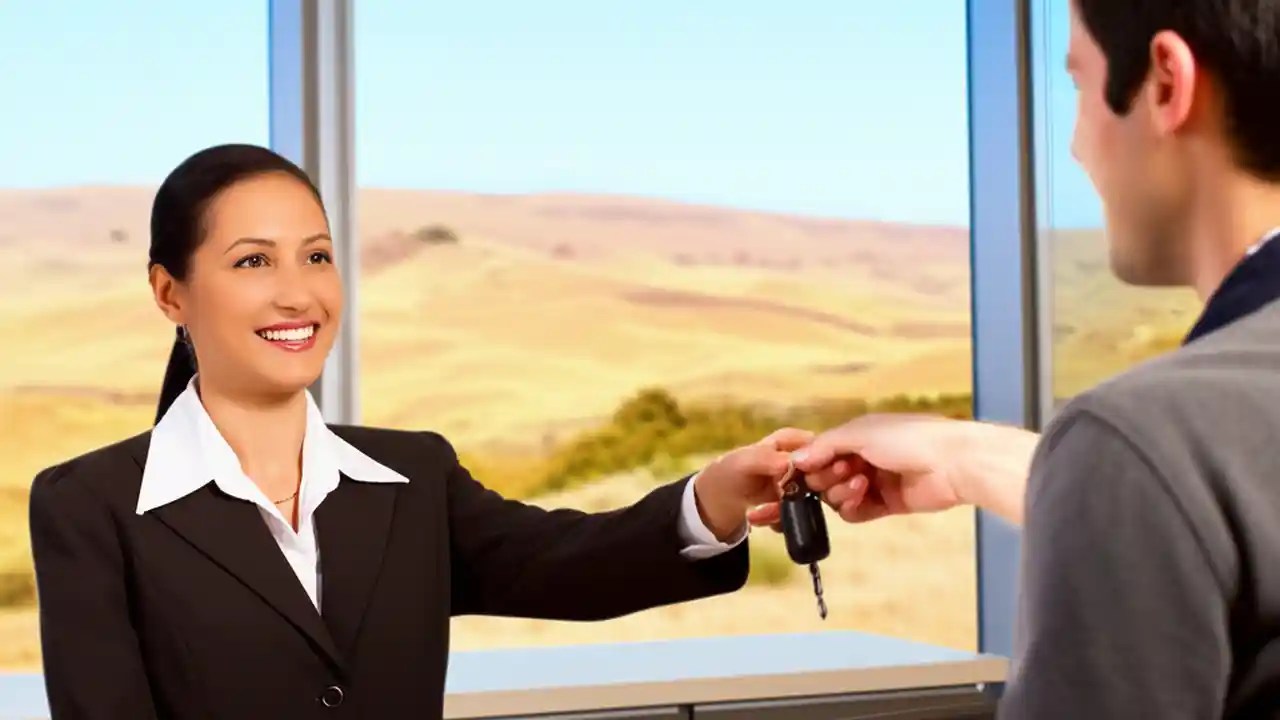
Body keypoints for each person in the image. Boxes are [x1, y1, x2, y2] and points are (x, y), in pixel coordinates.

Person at [27, 143, 808, 720]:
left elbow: (574, 565)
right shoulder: (90, 507)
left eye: (317, 256)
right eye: (254, 262)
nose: (298, 294)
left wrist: (717, 495)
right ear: (170, 293)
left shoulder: (414, 478)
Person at [752, 1, 1280, 717]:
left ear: (1165, 82)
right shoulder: (1185, 441)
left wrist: (1103, 463)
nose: (1076, 147)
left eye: (1079, 85)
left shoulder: (1148, 436)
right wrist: (972, 458)